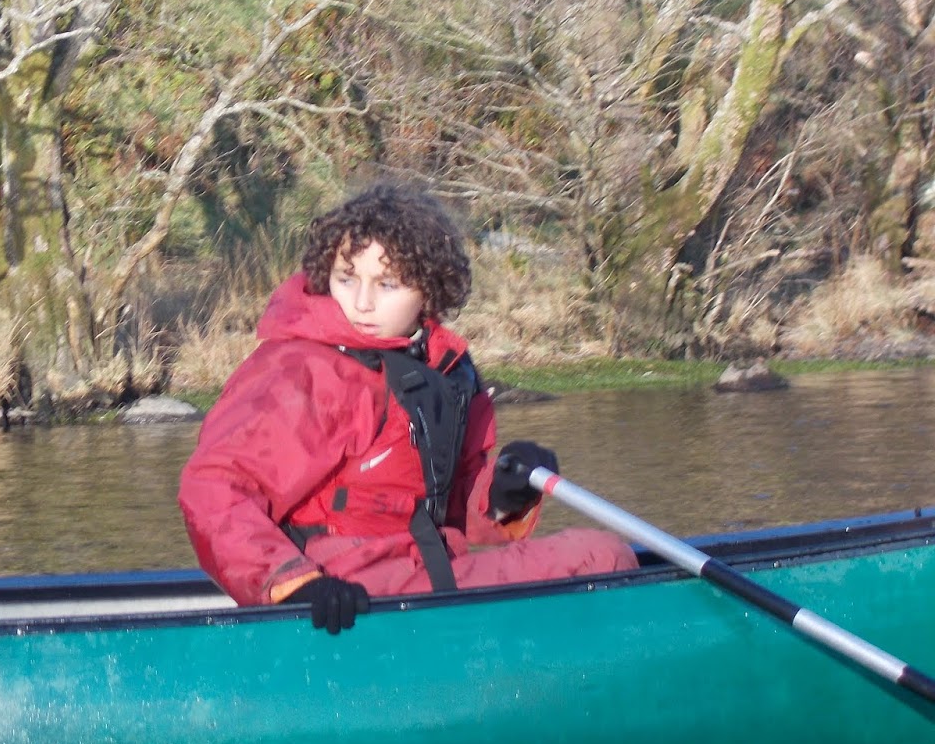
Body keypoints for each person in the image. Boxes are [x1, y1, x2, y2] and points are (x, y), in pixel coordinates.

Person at [177, 183, 638, 634]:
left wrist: (502, 494)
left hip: (425, 575)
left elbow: (448, 506)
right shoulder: (301, 371)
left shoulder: (443, 370)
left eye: (387, 283)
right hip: (347, 593)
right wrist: (293, 584)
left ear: (429, 292)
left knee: (603, 554)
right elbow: (214, 490)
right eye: (346, 278)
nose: (361, 301)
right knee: (601, 557)